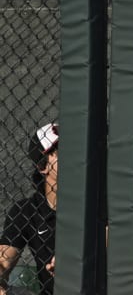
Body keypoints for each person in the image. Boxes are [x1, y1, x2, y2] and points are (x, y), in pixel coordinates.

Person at [0, 124, 59, 295]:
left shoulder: (99, 201)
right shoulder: (27, 210)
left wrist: (78, 257)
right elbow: (3, 261)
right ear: (43, 166)